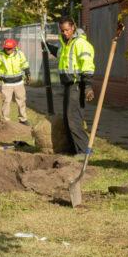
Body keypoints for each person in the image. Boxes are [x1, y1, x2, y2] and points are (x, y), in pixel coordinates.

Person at [55, 17, 95, 154]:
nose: (64, 33)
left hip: (77, 85)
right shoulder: (65, 44)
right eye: (62, 30)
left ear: (73, 28)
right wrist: (48, 48)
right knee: (67, 119)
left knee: (74, 119)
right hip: (67, 85)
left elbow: (87, 64)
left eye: (67, 30)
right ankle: (73, 149)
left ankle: (85, 151)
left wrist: (88, 86)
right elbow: (61, 56)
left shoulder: (80, 43)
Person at [0, 38, 31, 125]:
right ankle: (5, 120)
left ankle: (23, 119)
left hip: (19, 82)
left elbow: (24, 63)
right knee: (6, 102)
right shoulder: (0, 55)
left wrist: (27, 72)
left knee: (21, 101)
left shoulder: (19, 54)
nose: (7, 50)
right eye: (6, 48)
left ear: (14, 48)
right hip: (7, 83)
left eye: (9, 48)